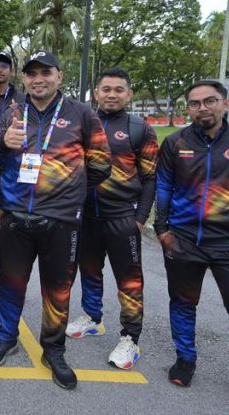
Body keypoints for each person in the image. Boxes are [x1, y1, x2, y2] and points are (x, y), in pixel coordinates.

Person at [0, 50, 111, 390]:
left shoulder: (83, 114)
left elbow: (100, 166)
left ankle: (53, 349)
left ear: (59, 75)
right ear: (23, 79)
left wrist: (67, 195)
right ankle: (7, 336)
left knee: (58, 290)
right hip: (14, 218)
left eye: (45, 72)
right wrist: (1, 147)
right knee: (11, 284)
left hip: (61, 222)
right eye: (31, 73)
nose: (38, 79)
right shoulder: (12, 113)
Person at [155, 79, 229, 404]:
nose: (202, 108)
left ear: (225, 104)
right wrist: (161, 229)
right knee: (182, 303)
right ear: (188, 108)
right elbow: (163, 186)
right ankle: (185, 359)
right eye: (195, 103)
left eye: (210, 101)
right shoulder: (175, 143)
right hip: (183, 240)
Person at [65, 68, 158, 370]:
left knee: (129, 280)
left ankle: (130, 338)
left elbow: (150, 178)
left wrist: (140, 218)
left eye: (119, 89)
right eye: (106, 89)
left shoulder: (139, 128)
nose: (112, 94)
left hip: (122, 216)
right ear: (96, 93)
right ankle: (93, 317)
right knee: (90, 270)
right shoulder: (81, 123)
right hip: (86, 215)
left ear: (129, 94)